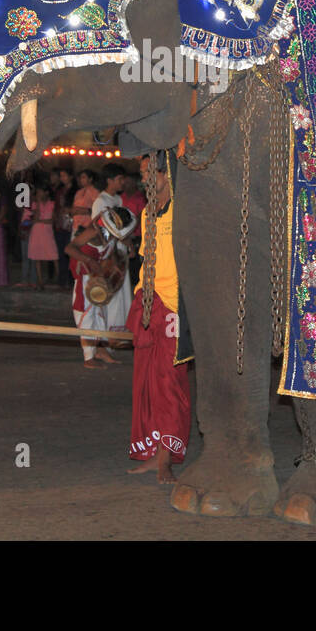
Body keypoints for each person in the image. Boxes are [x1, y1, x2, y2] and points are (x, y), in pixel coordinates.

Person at [126, 153, 190, 481]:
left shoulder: (183, 208)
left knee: (168, 383)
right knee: (146, 382)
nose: (145, 179)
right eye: (142, 174)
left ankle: (167, 455)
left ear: (167, 174)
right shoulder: (147, 211)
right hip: (148, 301)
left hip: (174, 307)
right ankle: (152, 450)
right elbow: (144, 261)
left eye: (151, 172)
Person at [65, 205, 136, 369]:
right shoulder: (95, 231)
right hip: (85, 277)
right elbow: (69, 248)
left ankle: (101, 350)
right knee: (87, 315)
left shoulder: (114, 232)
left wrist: (129, 246)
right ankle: (88, 357)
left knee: (99, 314)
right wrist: (89, 261)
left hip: (98, 278)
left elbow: (123, 241)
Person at [27, 183, 59, 288]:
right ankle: (40, 280)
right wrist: (37, 202)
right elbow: (35, 218)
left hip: (47, 232)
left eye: (41, 191)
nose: (39, 193)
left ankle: (58, 277)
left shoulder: (52, 204)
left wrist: (41, 221)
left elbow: (52, 220)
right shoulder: (36, 204)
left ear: (46, 192)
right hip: (37, 232)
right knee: (37, 256)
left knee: (53, 254)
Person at [52, 169, 75, 287]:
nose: (62, 178)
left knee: (70, 252)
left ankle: (70, 281)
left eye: (64, 175)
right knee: (61, 253)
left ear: (71, 177)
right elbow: (56, 207)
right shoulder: (59, 191)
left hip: (71, 224)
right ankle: (62, 280)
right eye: (61, 176)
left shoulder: (75, 191)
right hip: (60, 224)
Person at [70, 169, 99, 237]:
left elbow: (97, 210)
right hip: (76, 226)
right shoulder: (79, 192)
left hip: (86, 227)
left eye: (83, 177)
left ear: (90, 179)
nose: (81, 180)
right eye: (80, 178)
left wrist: (82, 210)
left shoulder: (95, 192)